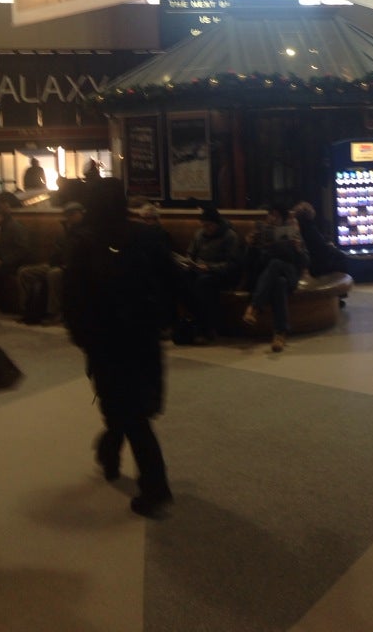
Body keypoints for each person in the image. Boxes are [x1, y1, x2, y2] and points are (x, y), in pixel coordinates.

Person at [62, 178, 175, 518]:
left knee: (128, 410)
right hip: (142, 338)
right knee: (133, 408)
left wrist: (82, 337)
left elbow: (72, 298)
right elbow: (170, 282)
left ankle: (154, 485)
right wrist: (163, 321)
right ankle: (111, 453)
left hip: (106, 341)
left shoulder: (83, 242)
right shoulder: (148, 236)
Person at [242, 203, 309, 352]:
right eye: (270, 215)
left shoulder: (293, 233)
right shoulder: (261, 231)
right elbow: (248, 263)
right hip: (267, 278)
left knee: (276, 264)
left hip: (291, 273)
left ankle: (254, 307)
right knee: (279, 283)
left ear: (283, 219)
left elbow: (306, 262)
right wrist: (251, 246)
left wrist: (298, 250)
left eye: (276, 215)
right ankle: (280, 333)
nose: (272, 218)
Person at [176, 204, 244, 343]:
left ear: (217, 224)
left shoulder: (230, 236)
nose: (206, 229)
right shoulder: (199, 234)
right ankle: (197, 321)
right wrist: (188, 262)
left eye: (209, 226)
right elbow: (191, 253)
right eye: (203, 226)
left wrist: (210, 267)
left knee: (203, 283)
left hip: (222, 275)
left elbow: (233, 264)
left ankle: (207, 327)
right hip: (199, 270)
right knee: (180, 280)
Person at [17, 200, 86, 324]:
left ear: (81, 214)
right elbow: (57, 252)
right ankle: (28, 310)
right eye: (68, 214)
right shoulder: (64, 231)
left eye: (73, 214)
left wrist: (65, 264)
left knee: (54, 274)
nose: (71, 217)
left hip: (73, 268)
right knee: (24, 272)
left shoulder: (86, 231)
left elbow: (83, 255)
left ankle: (55, 313)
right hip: (56, 264)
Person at [0, 192, 33, 315]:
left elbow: (23, 250)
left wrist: (3, 261)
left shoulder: (14, 227)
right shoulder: (1, 227)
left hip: (15, 263)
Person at [292, 201, 349, 277]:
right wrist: (331, 246)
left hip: (315, 265)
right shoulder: (310, 229)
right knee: (342, 257)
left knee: (339, 254)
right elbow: (322, 250)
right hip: (319, 268)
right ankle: (335, 281)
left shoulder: (304, 229)